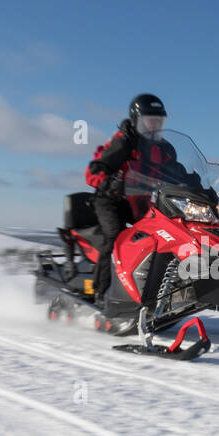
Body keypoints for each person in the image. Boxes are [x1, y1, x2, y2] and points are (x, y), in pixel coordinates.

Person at [84, 94, 170, 304]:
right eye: (150, 120)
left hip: (139, 201)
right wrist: (108, 182)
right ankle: (101, 292)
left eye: (159, 122)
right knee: (115, 235)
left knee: (164, 235)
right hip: (111, 200)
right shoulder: (124, 141)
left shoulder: (162, 148)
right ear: (136, 120)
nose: (154, 125)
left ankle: (158, 290)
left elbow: (176, 170)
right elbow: (94, 170)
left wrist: (194, 180)